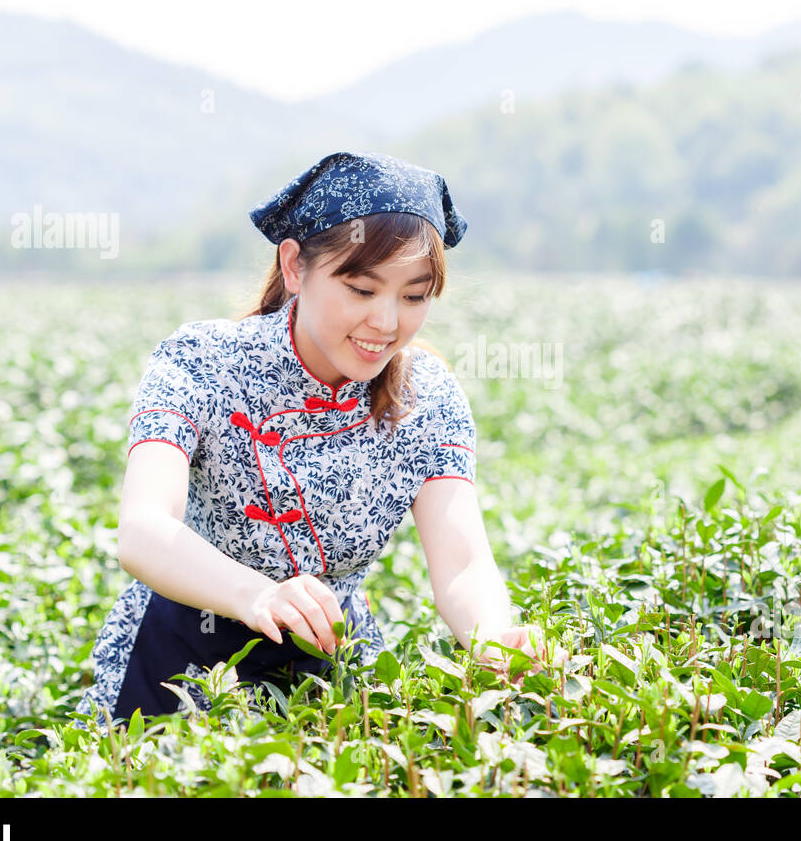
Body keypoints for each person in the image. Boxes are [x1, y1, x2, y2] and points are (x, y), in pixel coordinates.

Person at [74, 151, 559, 730]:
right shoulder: (203, 360)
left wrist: (496, 640)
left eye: (413, 297)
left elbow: (461, 564)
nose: (386, 323)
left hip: (328, 661)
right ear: (295, 266)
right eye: (361, 288)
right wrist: (257, 596)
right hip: (178, 655)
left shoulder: (425, 396)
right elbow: (144, 531)